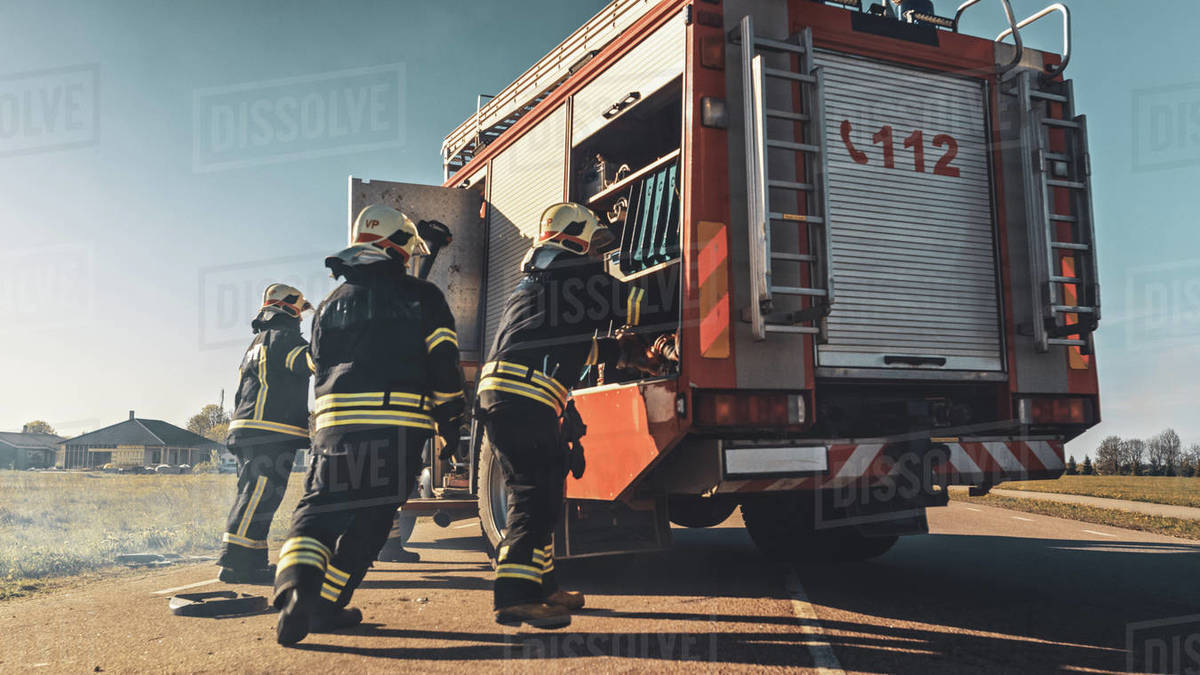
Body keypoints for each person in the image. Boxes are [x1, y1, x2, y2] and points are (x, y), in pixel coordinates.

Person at [272, 204, 466, 646]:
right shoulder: (424, 297)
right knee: (373, 520)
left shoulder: (327, 305)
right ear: (398, 249)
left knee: (318, 512)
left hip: (335, 429)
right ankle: (326, 603)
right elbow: (443, 364)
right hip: (397, 429)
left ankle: (295, 595)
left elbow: (316, 364)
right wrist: (450, 422)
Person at [477, 202, 658, 629]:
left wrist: (622, 353)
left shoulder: (537, 284)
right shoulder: (581, 278)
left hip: (508, 397)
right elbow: (642, 306)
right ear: (576, 240)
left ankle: (545, 587)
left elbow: (569, 347)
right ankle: (515, 597)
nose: (598, 255)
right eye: (594, 244)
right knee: (533, 497)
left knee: (545, 493)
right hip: (524, 400)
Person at [218, 283, 313, 584]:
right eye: (299, 312)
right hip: (269, 430)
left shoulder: (257, 343)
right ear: (290, 310)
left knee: (259, 496)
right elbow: (307, 363)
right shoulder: (285, 337)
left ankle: (254, 562)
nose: (301, 319)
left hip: (250, 428)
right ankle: (234, 564)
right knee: (258, 495)